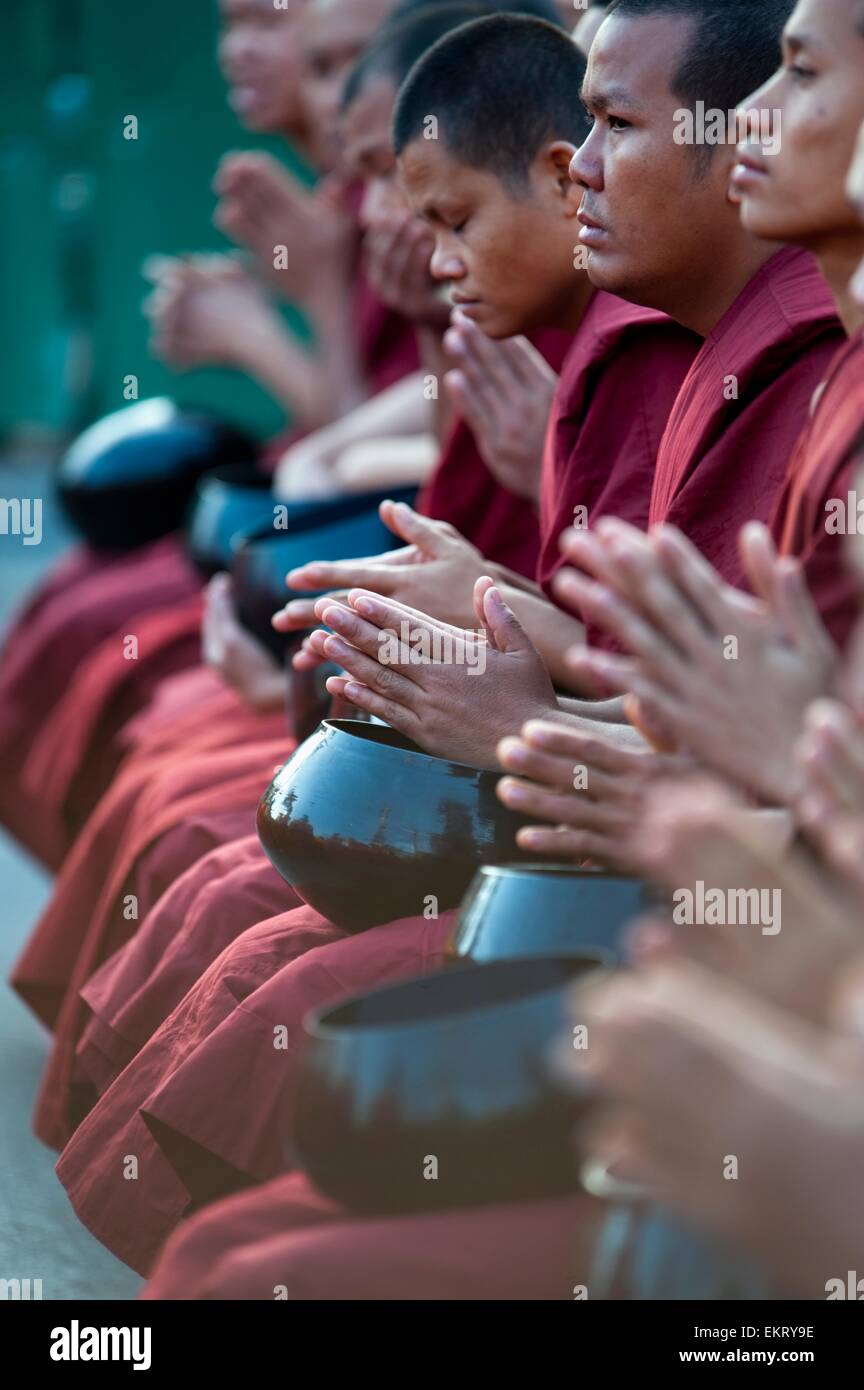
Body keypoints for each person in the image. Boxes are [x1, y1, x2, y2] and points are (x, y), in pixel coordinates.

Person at [53, 3, 819, 1275]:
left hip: (726, 952)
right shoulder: (687, 331)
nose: (581, 163)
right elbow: (677, 686)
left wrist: (531, 714)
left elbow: (776, 790)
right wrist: (512, 614)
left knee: (273, 1090)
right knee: (229, 880)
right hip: (630, 863)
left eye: (613, 126)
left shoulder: (776, 353)